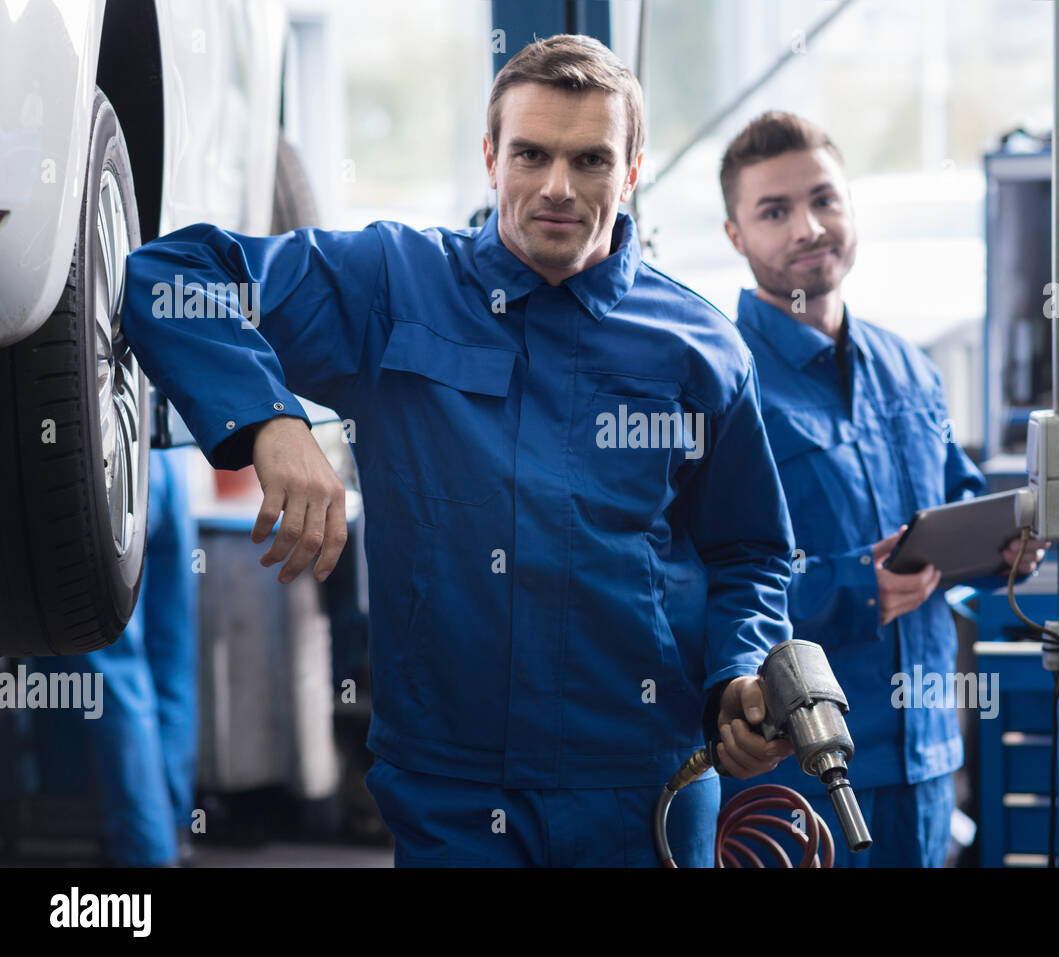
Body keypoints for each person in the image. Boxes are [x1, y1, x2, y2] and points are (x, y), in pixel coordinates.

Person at [119, 35, 796, 867]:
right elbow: (168, 273)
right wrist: (272, 423)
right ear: (490, 156)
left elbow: (752, 550)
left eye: (590, 160)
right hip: (456, 788)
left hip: (645, 780)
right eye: (531, 154)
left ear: (630, 172)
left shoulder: (700, 348)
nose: (557, 186)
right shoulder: (394, 284)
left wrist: (737, 676)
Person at [716, 112, 1048, 867]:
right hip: (799, 777)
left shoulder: (908, 366)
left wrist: (1009, 545)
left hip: (924, 761)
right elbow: (694, 582)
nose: (809, 227)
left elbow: (954, 498)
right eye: (775, 211)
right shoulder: (719, 380)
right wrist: (852, 588)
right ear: (735, 235)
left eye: (825, 200)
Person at [66, 448, 199, 867]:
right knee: (172, 660)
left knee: (116, 674)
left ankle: (147, 851)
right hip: (172, 458)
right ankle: (174, 828)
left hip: (105, 465)